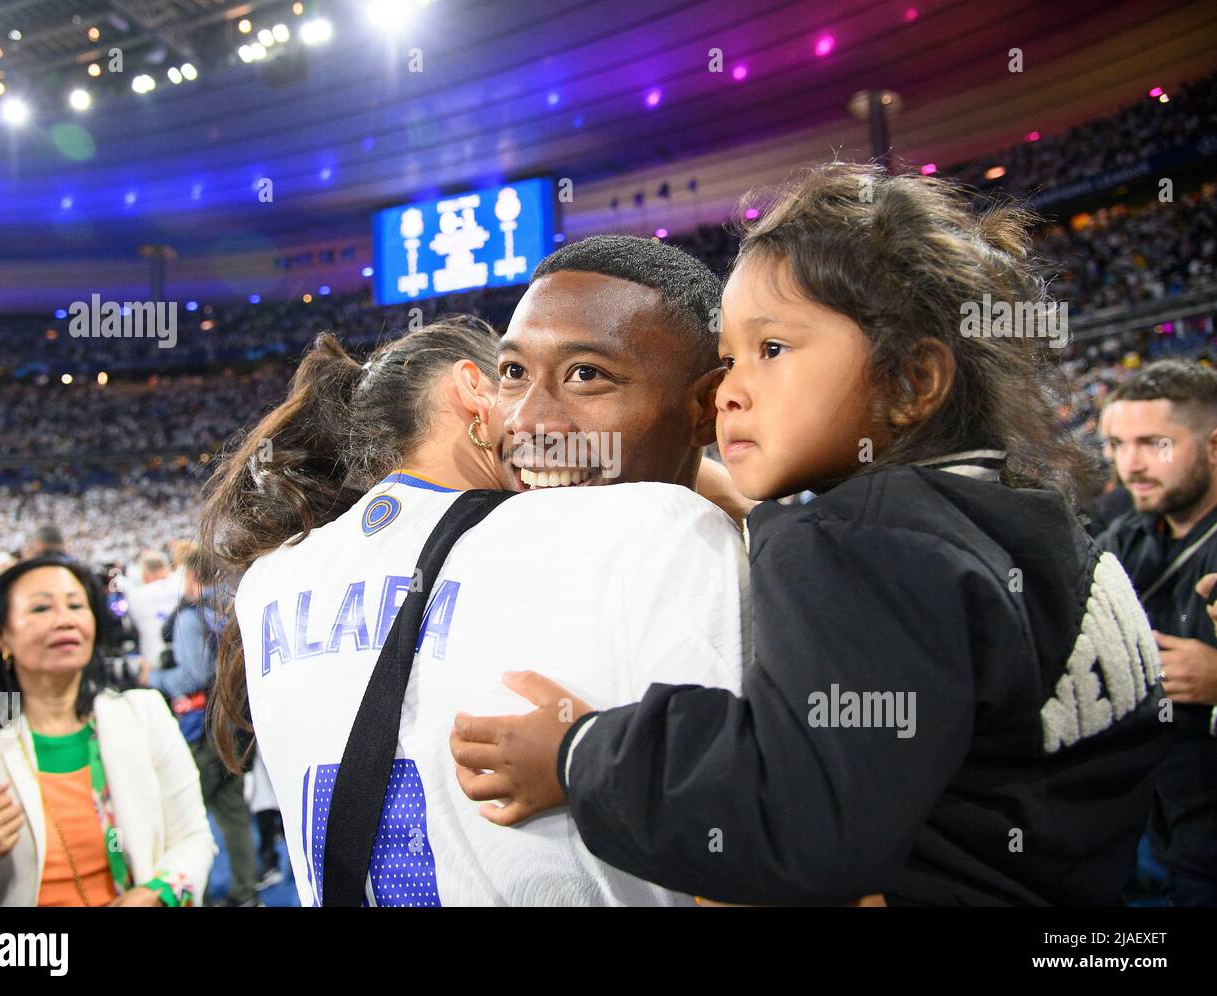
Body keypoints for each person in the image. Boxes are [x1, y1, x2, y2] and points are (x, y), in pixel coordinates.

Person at [450, 161, 1170, 906]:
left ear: (912, 382)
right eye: (728, 358)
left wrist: (578, 754)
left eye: (772, 351)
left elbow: (799, 822)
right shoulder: (1030, 523)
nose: (728, 391)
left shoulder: (848, 539)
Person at [209, 244, 748, 906]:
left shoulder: (273, 575)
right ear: (476, 389)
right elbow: (743, 857)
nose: (527, 419)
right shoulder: (659, 529)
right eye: (513, 371)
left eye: (585, 375)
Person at [0, 556, 213, 906]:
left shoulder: (145, 716)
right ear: (1, 636)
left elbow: (194, 838)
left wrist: (157, 895)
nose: (65, 619)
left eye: (76, 605)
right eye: (41, 608)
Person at [1098, 360, 1217, 905]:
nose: (1131, 466)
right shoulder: (1123, 540)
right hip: (1152, 833)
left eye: (1153, 444)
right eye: (1117, 445)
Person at [142, 546, 258, 907]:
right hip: (237, 723)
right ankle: (246, 893)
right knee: (234, 813)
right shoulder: (236, 606)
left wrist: (155, 677)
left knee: (190, 818)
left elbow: (193, 675)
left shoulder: (191, 616)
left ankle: (197, 894)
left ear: (191, 578)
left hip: (206, 728)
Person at [124, 549, 181, 674]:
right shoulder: (182, 586)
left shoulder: (136, 597)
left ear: (145, 573)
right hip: (187, 659)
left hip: (154, 666)